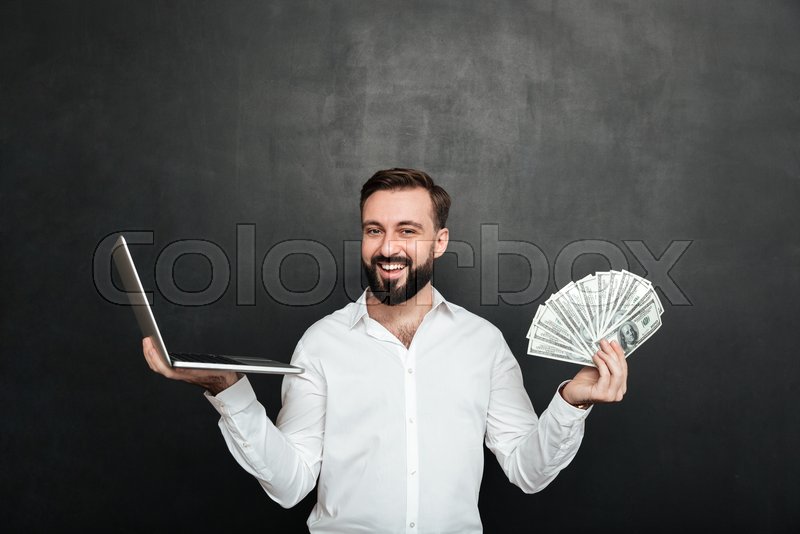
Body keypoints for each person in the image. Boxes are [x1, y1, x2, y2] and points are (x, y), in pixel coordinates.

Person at [142, 168, 629, 533]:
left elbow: (528, 472)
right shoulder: (322, 343)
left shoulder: (482, 343)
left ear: (439, 242)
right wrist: (230, 393)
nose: (387, 246)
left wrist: (572, 401)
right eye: (374, 229)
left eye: (407, 230)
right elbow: (290, 484)